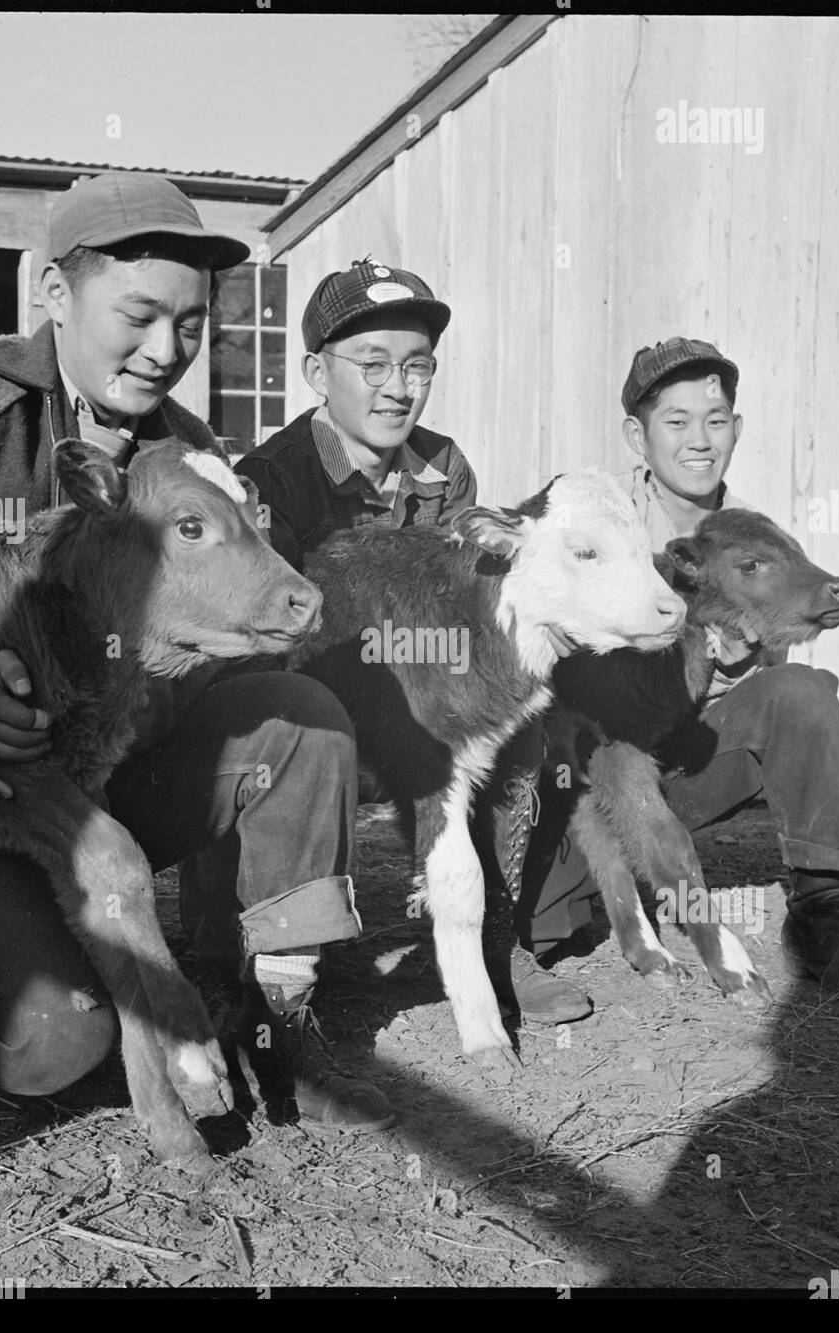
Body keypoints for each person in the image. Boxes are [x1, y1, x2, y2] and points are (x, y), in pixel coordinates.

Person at [0, 171, 396, 1135]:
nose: (164, 351)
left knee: (302, 720)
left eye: (191, 325)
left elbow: (210, 607)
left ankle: (270, 1008)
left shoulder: (186, 447)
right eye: (139, 314)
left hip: (106, 772)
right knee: (59, 1043)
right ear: (57, 297)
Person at [231, 257, 592, 1025]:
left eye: (418, 366)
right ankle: (267, 950)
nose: (398, 387)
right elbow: (270, 636)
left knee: (523, 730)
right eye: (372, 364)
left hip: (427, 688)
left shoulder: (443, 467)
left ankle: (485, 942)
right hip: (319, 696)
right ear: (315, 372)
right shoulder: (269, 479)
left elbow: (468, 608)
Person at [520, 337, 839, 1003]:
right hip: (581, 770)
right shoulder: (594, 524)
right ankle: (599, 889)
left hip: (685, 761)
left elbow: (770, 674)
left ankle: (822, 917)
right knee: (547, 915)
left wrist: (738, 659)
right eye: (677, 421)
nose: (700, 440)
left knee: (804, 693)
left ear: (737, 428)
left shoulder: (752, 534)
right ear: (638, 436)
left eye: (716, 420)